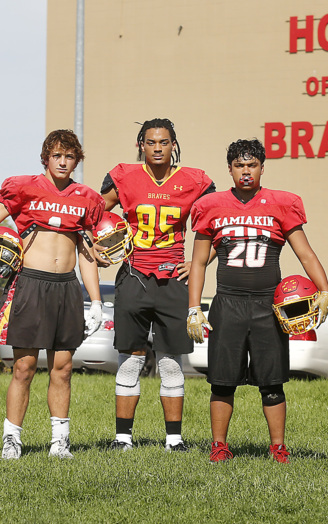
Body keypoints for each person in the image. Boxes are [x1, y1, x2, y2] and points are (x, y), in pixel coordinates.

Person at [0, 129, 105, 460]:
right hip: (30, 283)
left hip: (66, 286)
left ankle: (60, 441)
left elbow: (87, 253)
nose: (63, 162)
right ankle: (12, 438)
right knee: (23, 367)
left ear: (77, 160)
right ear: (46, 158)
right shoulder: (24, 188)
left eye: (69, 156)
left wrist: (95, 300)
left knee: (62, 368)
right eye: (57, 156)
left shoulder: (87, 198)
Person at [186, 138, 328, 463]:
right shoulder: (211, 204)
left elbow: (305, 253)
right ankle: (219, 445)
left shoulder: (282, 203)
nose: (246, 171)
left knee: (272, 381)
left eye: (252, 165)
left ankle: (277, 446)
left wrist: (325, 289)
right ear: (230, 169)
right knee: (222, 382)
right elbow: (197, 262)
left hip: (269, 305)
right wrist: (193, 307)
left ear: (262, 168)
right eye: (240, 165)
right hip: (228, 303)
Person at [97, 118, 215, 452]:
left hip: (173, 280)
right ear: (141, 145)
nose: (158, 148)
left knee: (170, 360)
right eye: (151, 142)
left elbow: (219, 220)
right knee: (131, 357)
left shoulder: (195, 180)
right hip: (134, 274)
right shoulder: (124, 176)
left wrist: (199, 261)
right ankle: (123, 438)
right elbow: (92, 213)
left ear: (173, 145)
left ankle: (174, 440)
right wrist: (95, 245)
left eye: (164, 142)